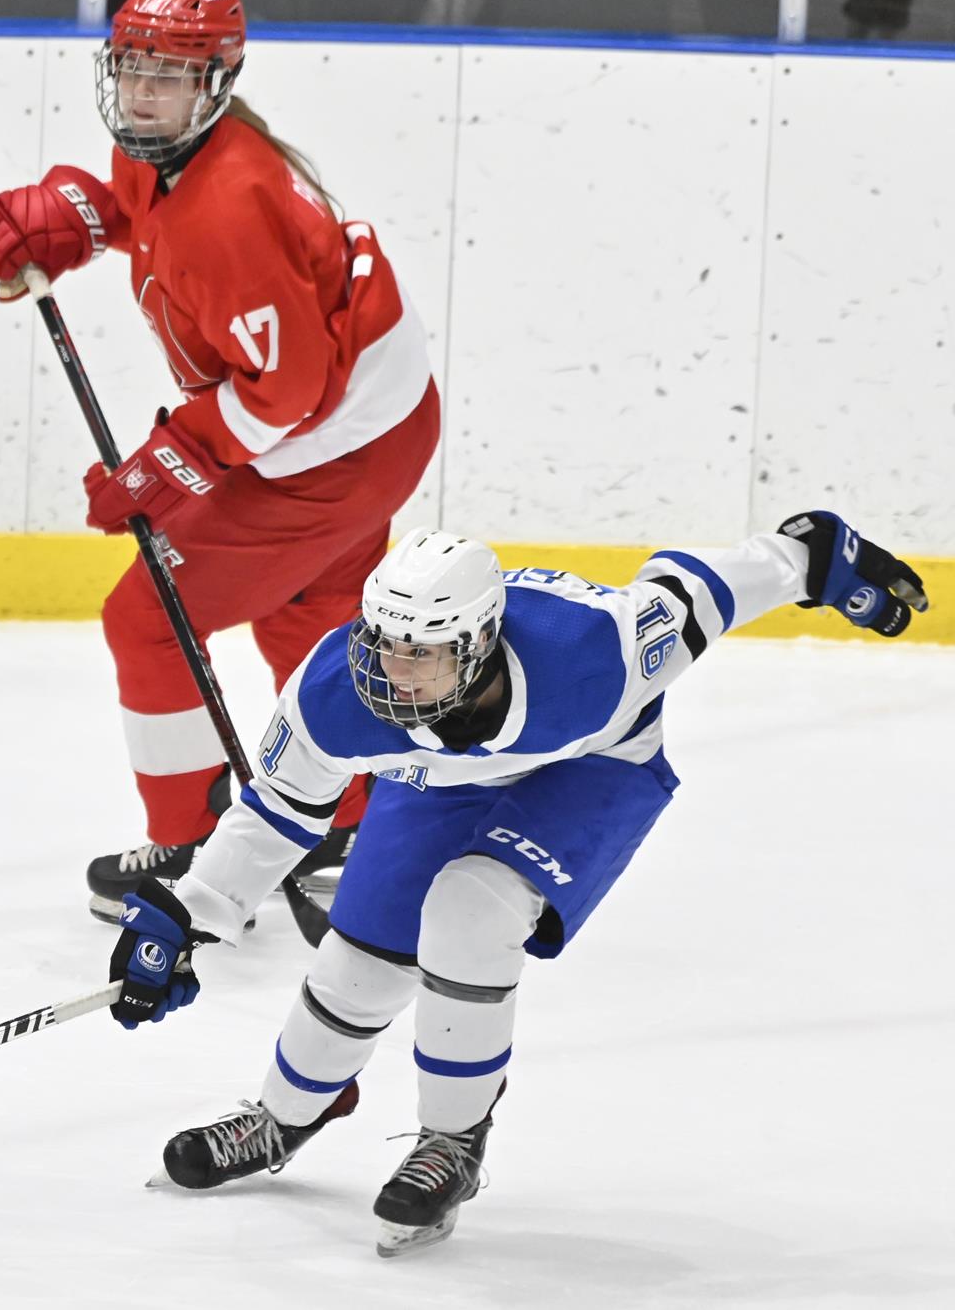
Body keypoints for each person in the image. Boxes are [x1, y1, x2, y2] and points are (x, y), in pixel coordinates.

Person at [103, 516, 929, 1256]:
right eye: (383, 639)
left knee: (470, 907)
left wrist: (818, 554)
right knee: (360, 963)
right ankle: (283, 1116)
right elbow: (277, 812)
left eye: (420, 651)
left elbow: (702, 587)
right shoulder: (336, 690)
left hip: (592, 768)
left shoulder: (594, 651)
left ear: (480, 643)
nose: (391, 668)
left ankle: (452, 1142)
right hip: (441, 778)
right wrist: (184, 918)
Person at [0, 0, 439, 919]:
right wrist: (73, 220)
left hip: (333, 447)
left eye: (170, 74)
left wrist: (166, 467)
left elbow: (288, 390)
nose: (143, 93)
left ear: (218, 80)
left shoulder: (234, 205)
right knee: (306, 617)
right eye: (133, 67)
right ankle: (353, 819)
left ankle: (187, 841)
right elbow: (133, 203)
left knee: (148, 614)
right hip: (379, 421)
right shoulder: (175, 149)